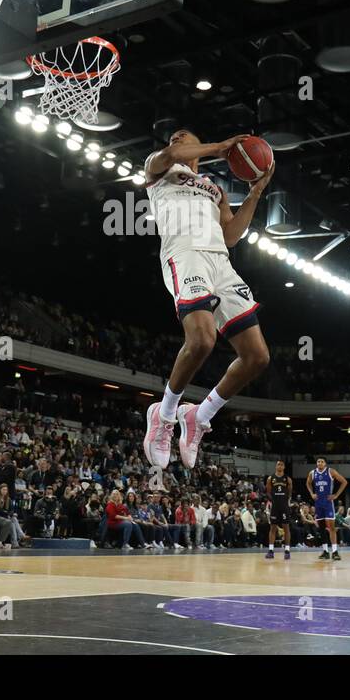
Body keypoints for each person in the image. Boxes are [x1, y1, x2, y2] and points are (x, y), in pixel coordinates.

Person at [140, 130, 275, 473]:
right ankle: (165, 412)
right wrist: (221, 147)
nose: (176, 138)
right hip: (185, 255)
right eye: (174, 137)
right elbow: (170, 155)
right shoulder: (159, 169)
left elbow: (230, 236)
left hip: (219, 262)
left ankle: (199, 416)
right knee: (201, 340)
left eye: (183, 136)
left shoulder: (214, 189)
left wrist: (256, 193)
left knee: (257, 356)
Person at [307, 455, 347, 561]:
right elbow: (308, 483)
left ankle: (335, 551)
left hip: (328, 502)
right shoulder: (312, 473)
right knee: (321, 528)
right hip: (318, 503)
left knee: (331, 527)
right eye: (318, 461)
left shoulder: (331, 471)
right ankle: (325, 551)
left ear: (325, 463)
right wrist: (312, 493)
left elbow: (344, 482)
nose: (320, 463)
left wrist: (336, 495)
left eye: (322, 461)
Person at [264, 460, 292, 560]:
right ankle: (271, 551)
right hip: (275, 506)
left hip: (284, 506)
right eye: (278, 464)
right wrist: (273, 501)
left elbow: (289, 492)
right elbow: (268, 492)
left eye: (281, 465)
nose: (279, 466)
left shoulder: (287, 479)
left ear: (284, 467)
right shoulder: (270, 478)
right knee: (273, 528)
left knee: (286, 528)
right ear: (276, 466)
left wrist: (285, 501)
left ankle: (287, 551)